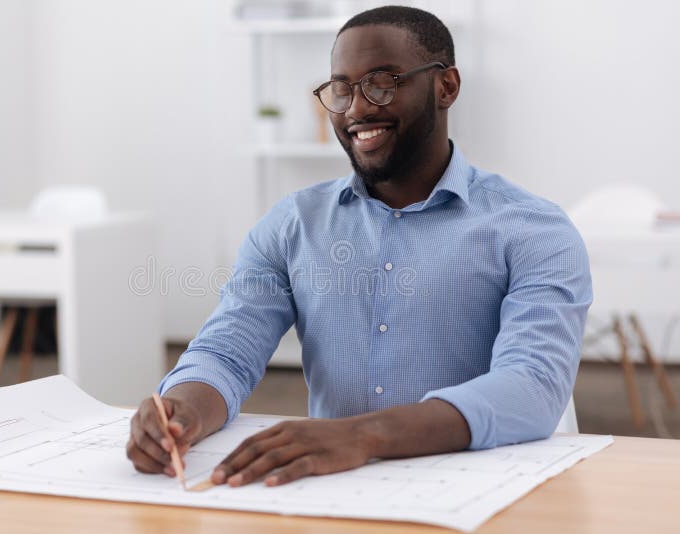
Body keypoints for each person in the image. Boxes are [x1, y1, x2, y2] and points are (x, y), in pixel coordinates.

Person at [127, 5, 592, 488]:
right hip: (330, 490)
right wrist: (180, 410)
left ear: (446, 86)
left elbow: (532, 387)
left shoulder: (534, 230)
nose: (356, 109)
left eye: (382, 83)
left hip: (480, 491)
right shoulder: (292, 225)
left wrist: (365, 436)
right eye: (341, 89)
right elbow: (226, 352)